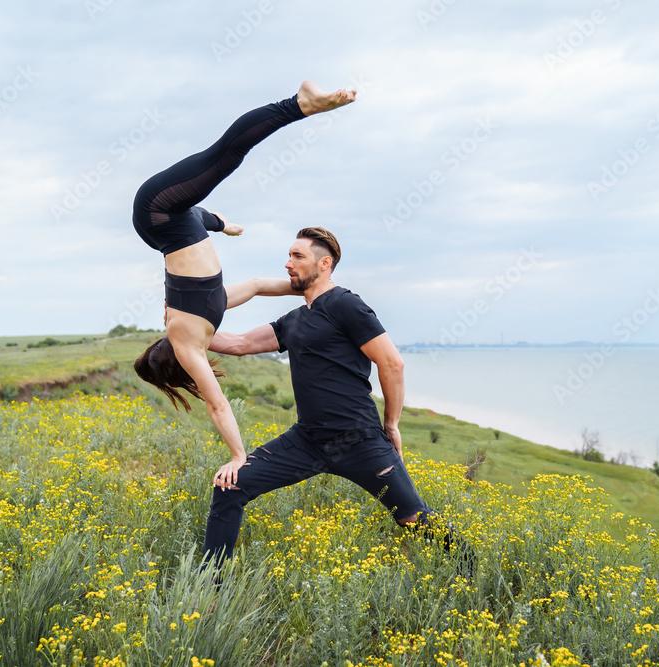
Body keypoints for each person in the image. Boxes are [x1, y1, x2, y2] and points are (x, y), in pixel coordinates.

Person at [131, 82, 357, 483]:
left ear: (175, 366)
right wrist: (310, 285)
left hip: (158, 211)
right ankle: (223, 222)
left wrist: (239, 455)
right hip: (174, 223)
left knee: (226, 154)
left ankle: (299, 104)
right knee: (204, 206)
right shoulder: (201, 321)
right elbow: (253, 286)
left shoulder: (187, 341)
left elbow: (218, 407)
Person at [202, 227, 443, 567]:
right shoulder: (294, 320)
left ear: (324, 263)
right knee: (230, 487)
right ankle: (209, 587)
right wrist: (186, 322)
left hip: (359, 440)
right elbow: (239, 344)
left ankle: (471, 569)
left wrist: (391, 424)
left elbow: (392, 362)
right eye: (288, 256)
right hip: (308, 441)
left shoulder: (346, 305)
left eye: (297, 256)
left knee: (412, 518)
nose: (288, 264)